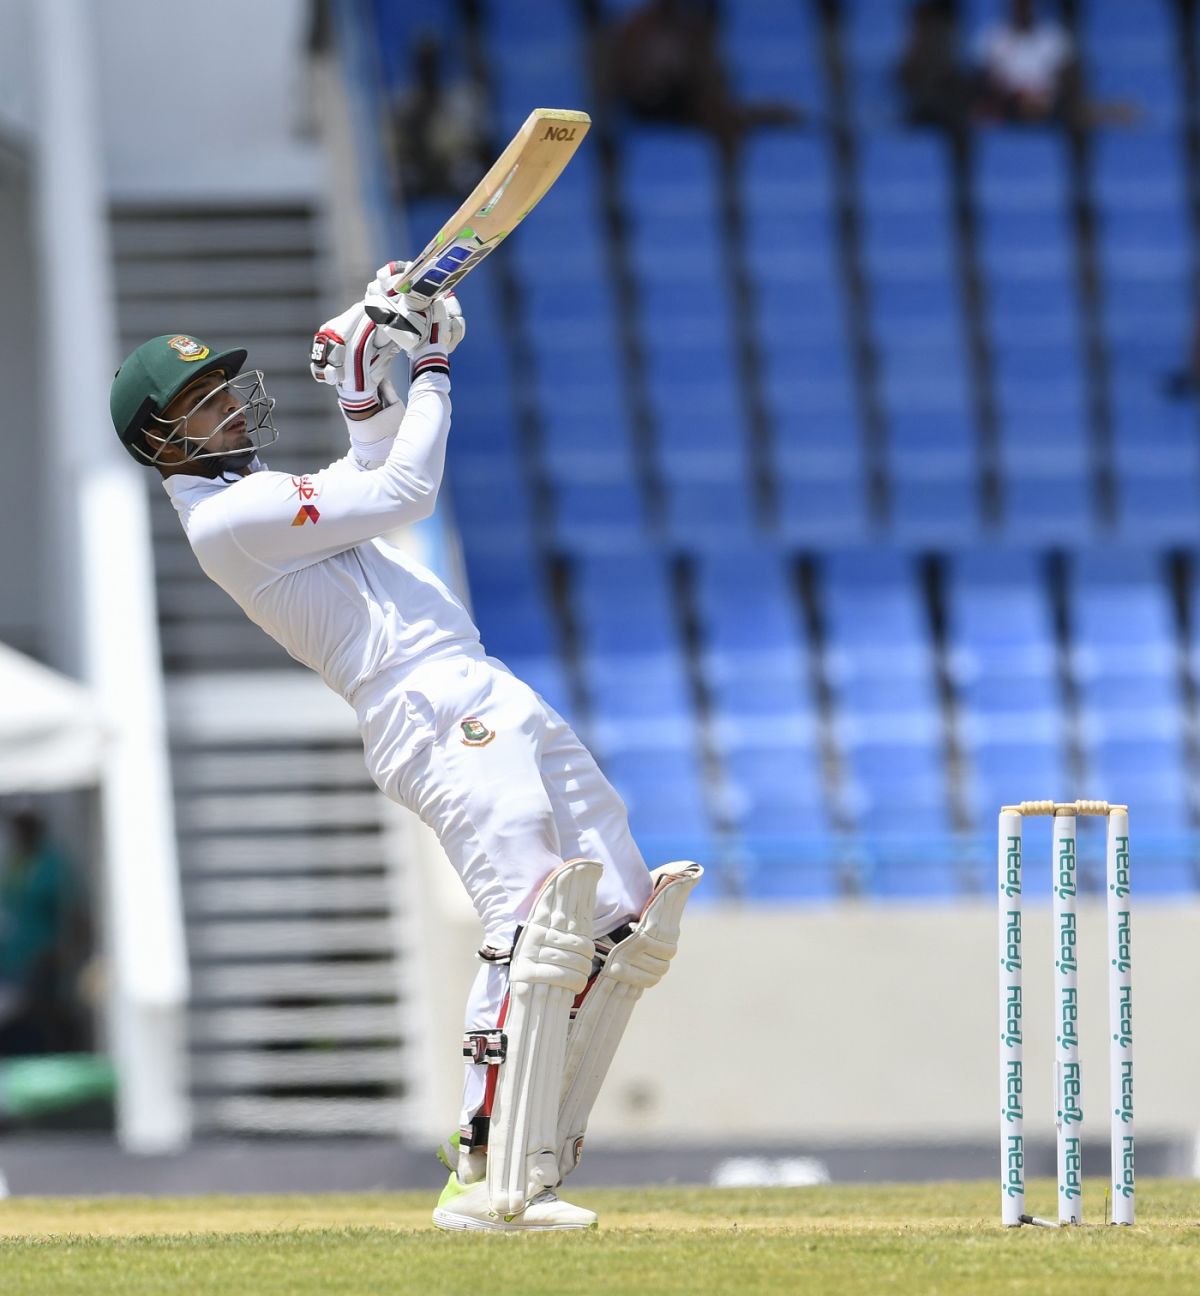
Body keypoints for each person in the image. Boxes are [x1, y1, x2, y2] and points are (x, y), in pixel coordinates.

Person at [108, 268, 702, 1232]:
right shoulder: (225, 521)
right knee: (534, 925)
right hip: (422, 707)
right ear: (160, 440)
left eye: (224, 385)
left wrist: (361, 387)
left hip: (480, 681)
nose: (230, 402)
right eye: (203, 400)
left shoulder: (261, 493)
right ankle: (480, 1174)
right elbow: (405, 491)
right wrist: (427, 367)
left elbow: (369, 470)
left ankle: (533, 1166)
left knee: (628, 924)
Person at [604, 0, 804, 149]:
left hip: (692, 104)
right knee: (725, 119)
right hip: (650, 108)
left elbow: (713, 77)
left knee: (726, 120)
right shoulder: (638, 27)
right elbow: (625, 80)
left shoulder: (694, 26)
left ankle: (759, 117)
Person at [0, 811, 73, 1056]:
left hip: (42, 955)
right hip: (12, 959)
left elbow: (72, 911)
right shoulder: (16, 864)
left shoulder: (50, 863)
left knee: (39, 1016)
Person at [974, 0, 1080, 126]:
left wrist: (1041, 95)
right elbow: (986, 77)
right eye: (1019, 5)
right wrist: (1017, 94)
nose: (1023, 9)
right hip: (1008, 105)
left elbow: (1066, 78)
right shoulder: (993, 38)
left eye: (1027, 4)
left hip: (1049, 104)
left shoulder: (1054, 37)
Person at [897, 0, 969, 134]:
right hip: (923, 99)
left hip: (946, 100)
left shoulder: (947, 34)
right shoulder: (916, 45)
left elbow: (949, 71)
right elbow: (906, 76)